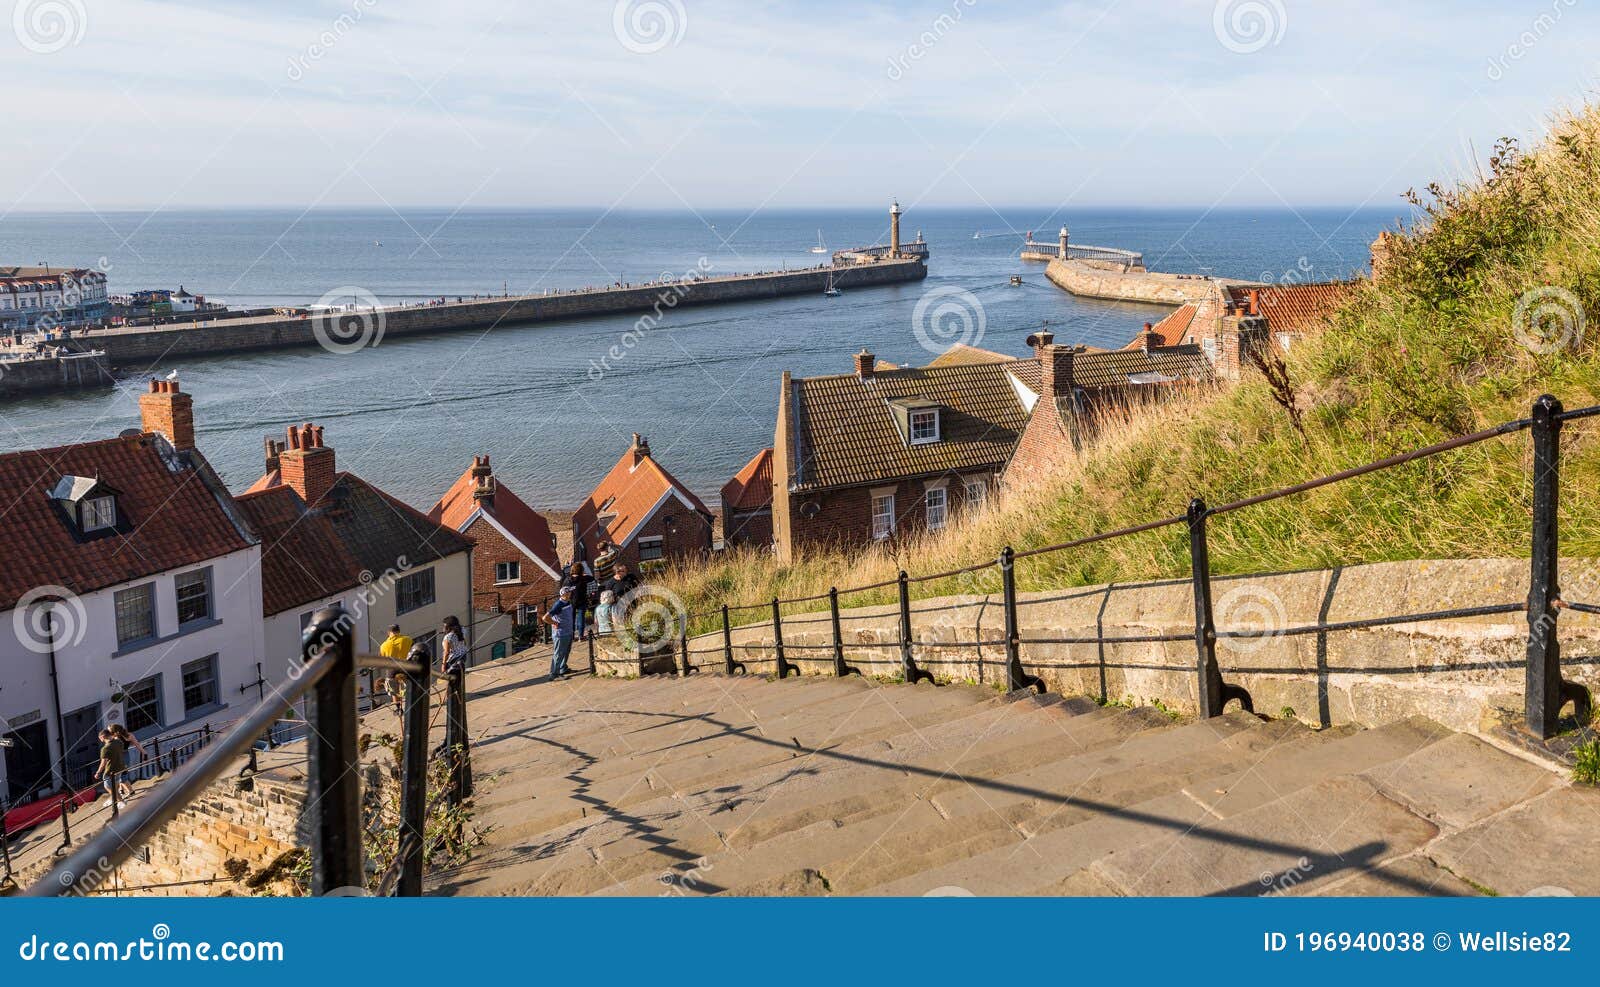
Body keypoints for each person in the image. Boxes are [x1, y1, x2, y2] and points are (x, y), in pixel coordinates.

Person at [544, 585, 577, 680]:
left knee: (566, 652)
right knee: (558, 654)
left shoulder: (567, 602)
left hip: (568, 631)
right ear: (565, 594)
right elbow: (545, 617)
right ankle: (554, 674)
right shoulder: (558, 605)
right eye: (569, 592)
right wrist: (554, 622)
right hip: (560, 634)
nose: (571, 593)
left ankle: (563, 668)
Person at [379, 624, 413, 706]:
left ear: (389, 632)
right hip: (406, 668)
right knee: (408, 689)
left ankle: (398, 709)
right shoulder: (408, 639)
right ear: (399, 631)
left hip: (392, 670)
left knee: (394, 692)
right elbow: (414, 651)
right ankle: (411, 706)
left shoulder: (383, 645)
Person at [94, 729, 126, 805]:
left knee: (108, 786)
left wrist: (98, 773)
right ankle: (114, 798)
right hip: (120, 767)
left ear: (103, 737)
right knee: (116, 784)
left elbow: (103, 763)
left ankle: (121, 801)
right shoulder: (119, 742)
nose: (100, 739)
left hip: (110, 770)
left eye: (100, 738)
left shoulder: (105, 749)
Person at [562, 561, 592, 640]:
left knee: (571, 619)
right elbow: (592, 578)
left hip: (570, 602)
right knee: (581, 619)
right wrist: (584, 575)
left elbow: (563, 590)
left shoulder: (567, 580)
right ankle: (580, 636)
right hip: (582, 600)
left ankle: (571, 636)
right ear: (581, 569)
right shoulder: (584, 578)